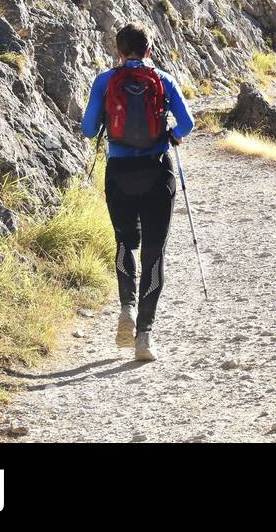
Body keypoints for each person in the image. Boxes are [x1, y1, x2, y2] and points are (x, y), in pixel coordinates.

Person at [80, 23, 194, 362]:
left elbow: (88, 129)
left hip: (119, 174)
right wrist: (170, 133)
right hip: (157, 171)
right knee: (154, 254)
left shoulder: (105, 81)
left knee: (125, 243)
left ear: (119, 51)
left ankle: (127, 308)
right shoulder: (163, 79)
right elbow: (187, 124)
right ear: (149, 50)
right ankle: (145, 336)